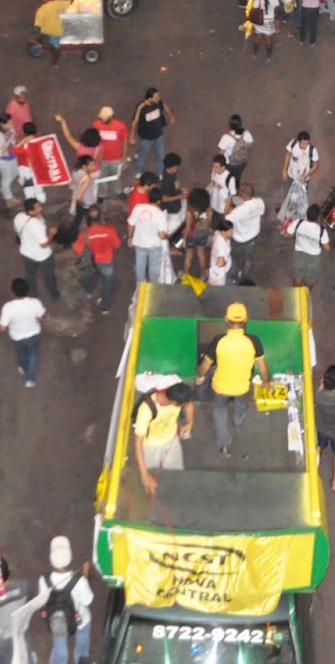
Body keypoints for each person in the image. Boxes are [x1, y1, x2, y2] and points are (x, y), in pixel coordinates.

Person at [195, 302, 269, 455]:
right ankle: (238, 420)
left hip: (220, 388)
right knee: (241, 405)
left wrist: (200, 377)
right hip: (242, 387)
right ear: (246, 319)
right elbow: (262, 367)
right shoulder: (254, 341)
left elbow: (205, 366)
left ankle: (224, 445)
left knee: (220, 412)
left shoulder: (218, 340)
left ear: (226, 320)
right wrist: (266, 382)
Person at [24, 538, 94, 664]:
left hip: (58, 620)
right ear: (71, 557)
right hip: (81, 620)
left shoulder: (44, 580)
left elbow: (42, 601)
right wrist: (86, 577)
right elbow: (87, 601)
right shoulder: (80, 581)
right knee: (82, 648)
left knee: (60, 650)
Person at [132, 382, 195, 494]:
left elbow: (189, 403)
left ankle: (174, 493)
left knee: (176, 472)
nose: (185, 405)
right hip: (150, 446)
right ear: (175, 403)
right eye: (182, 405)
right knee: (150, 475)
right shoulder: (146, 410)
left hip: (171, 442)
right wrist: (144, 474)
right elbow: (138, 443)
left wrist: (190, 422)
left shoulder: (175, 393)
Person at [0, 277, 47, 386]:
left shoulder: (8, 307)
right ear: (27, 290)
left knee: (21, 354)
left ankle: (24, 368)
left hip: (17, 336)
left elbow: (2, 328)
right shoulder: (35, 303)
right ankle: (30, 379)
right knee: (33, 354)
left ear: (13, 291)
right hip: (33, 334)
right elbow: (41, 318)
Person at [72, 205, 121, 312]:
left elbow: (78, 251)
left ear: (87, 219)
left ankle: (88, 291)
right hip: (107, 260)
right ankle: (105, 306)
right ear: (100, 217)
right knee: (108, 283)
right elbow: (117, 245)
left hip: (91, 261)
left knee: (86, 276)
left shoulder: (84, 234)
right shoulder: (109, 230)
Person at [13, 199, 59, 299]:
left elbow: (17, 231)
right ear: (30, 211)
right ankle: (54, 293)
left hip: (26, 253)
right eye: (37, 208)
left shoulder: (19, 216)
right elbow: (44, 244)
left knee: (30, 275)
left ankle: (32, 294)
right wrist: (51, 234)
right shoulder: (37, 226)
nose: (40, 208)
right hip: (43, 256)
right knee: (49, 276)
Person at [129, 87, 175, 175]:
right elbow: (135, 121)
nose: (159, 99)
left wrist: (171, 116)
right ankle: (140, 172)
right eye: (156, 97)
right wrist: (132, 136)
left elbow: (165, 107)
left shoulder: (158, 102)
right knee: (142, 156)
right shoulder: (141, 107)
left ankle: (161, 173)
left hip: (158, 136)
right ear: (149, 99)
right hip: (146, 138)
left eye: (159, 96)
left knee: (160, 156)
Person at [127, 184, 167, 284]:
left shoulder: (138, 208)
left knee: (140, 265)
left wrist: (130, 237)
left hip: (139, 243)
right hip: (153, 246)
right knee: (153, 267)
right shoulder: (160, 214)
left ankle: (140, 286)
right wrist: (167, 236)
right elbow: (161, 235)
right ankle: (153, 286)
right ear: (159, 201)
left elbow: (130, 224)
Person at [225, 184, 264, 283]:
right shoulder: (259, 202)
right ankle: (246, 278)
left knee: (233, 257)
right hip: (253, 235)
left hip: (239, 238)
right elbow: (261, 212)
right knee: (248, 258)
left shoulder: (240, 210)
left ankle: (233, 276)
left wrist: (228, 207)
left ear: (243, 194)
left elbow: (226, 221)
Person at [288, 203, 329, 288]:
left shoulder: (298, 223)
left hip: (299, 253)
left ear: (307, 214)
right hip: (313, 257)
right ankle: (305, 294)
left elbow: (286, 234)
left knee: (298, 276)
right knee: (310, 278)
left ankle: (296, 293)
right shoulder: (321, 230)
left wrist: (297, 235)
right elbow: (327, 248)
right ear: (318, 217)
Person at [217, 114, 254, 184]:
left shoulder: (226, 137)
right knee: (237, 177)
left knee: (228, 179)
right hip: (242, 162)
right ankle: (236, 187)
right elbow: (250, 147)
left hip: (230, 164)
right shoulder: (246, 133)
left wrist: (217, 163)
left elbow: (221, 153)